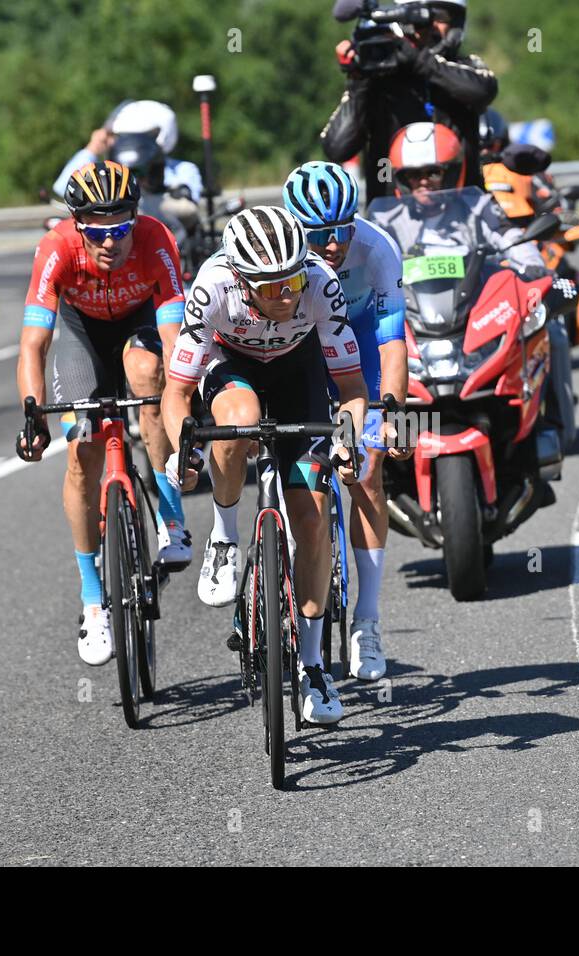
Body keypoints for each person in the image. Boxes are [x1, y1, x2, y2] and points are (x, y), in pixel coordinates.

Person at [161, 206, 369, 724]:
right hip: (232, 368)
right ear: (239, 279)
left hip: (299, 373)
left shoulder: (320, 284)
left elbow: (350, 388)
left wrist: (347, 440)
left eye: (293, 278)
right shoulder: (212, 290)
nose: (287, 293)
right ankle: (225, 536)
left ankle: (314, 665)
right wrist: (181, 450)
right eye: (270, 285)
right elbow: (177, 392)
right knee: (237, 423)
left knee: (315, 519)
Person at [15, 161, 189, 667]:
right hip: (80, 334)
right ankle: (93, 599)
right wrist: (32, 413)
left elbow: (177, 338)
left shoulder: (157, 240)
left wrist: (180, 396)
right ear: (76, 224)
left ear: (136, 217)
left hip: (140, 324)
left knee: (147, 378)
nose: (110, 242)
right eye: (96, 231)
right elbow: (34, 344)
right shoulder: (57, 249)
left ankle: (173, 520)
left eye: (120, 228)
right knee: (80, 453)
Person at [283, 160, 413, 682]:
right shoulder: (279, 254)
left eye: (342, 229)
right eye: (318, 234)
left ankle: (367, 621)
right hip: (300, 354)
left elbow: (392, 341)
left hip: (361, 352)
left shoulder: (377, 249)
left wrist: (398, 419)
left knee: (365, 470)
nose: (333, 243)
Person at [373, 121, 577, 447]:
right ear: (400, 179)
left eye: (433, 172)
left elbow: (513, 240)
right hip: (414, 318)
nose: (423, 182)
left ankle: (554, 428)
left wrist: (535, 271)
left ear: (452, 171)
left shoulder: (478, 207)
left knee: (550, 330)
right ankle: (364, 450)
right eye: (413, 175)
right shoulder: (387, 221)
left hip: (471, 315)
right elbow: (369, 261)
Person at [321, 0, 497, 201]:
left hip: (463, 214)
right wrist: (358, 81)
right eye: (422, 18)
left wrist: (419, 60)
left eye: (440, 17)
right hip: (393, 218)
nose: (431, 26)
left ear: (457, 23)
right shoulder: (380, 79)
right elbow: (337, 148)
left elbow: (483, 91)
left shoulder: (464, 66)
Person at [52, 100, 204, 249]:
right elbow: (66, 188)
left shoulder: (183, 169)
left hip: (165, 243)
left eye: (140, 137)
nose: (131, 144)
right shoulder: (110, 171)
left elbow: (189, 208)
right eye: (123, 137)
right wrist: (92, 148)